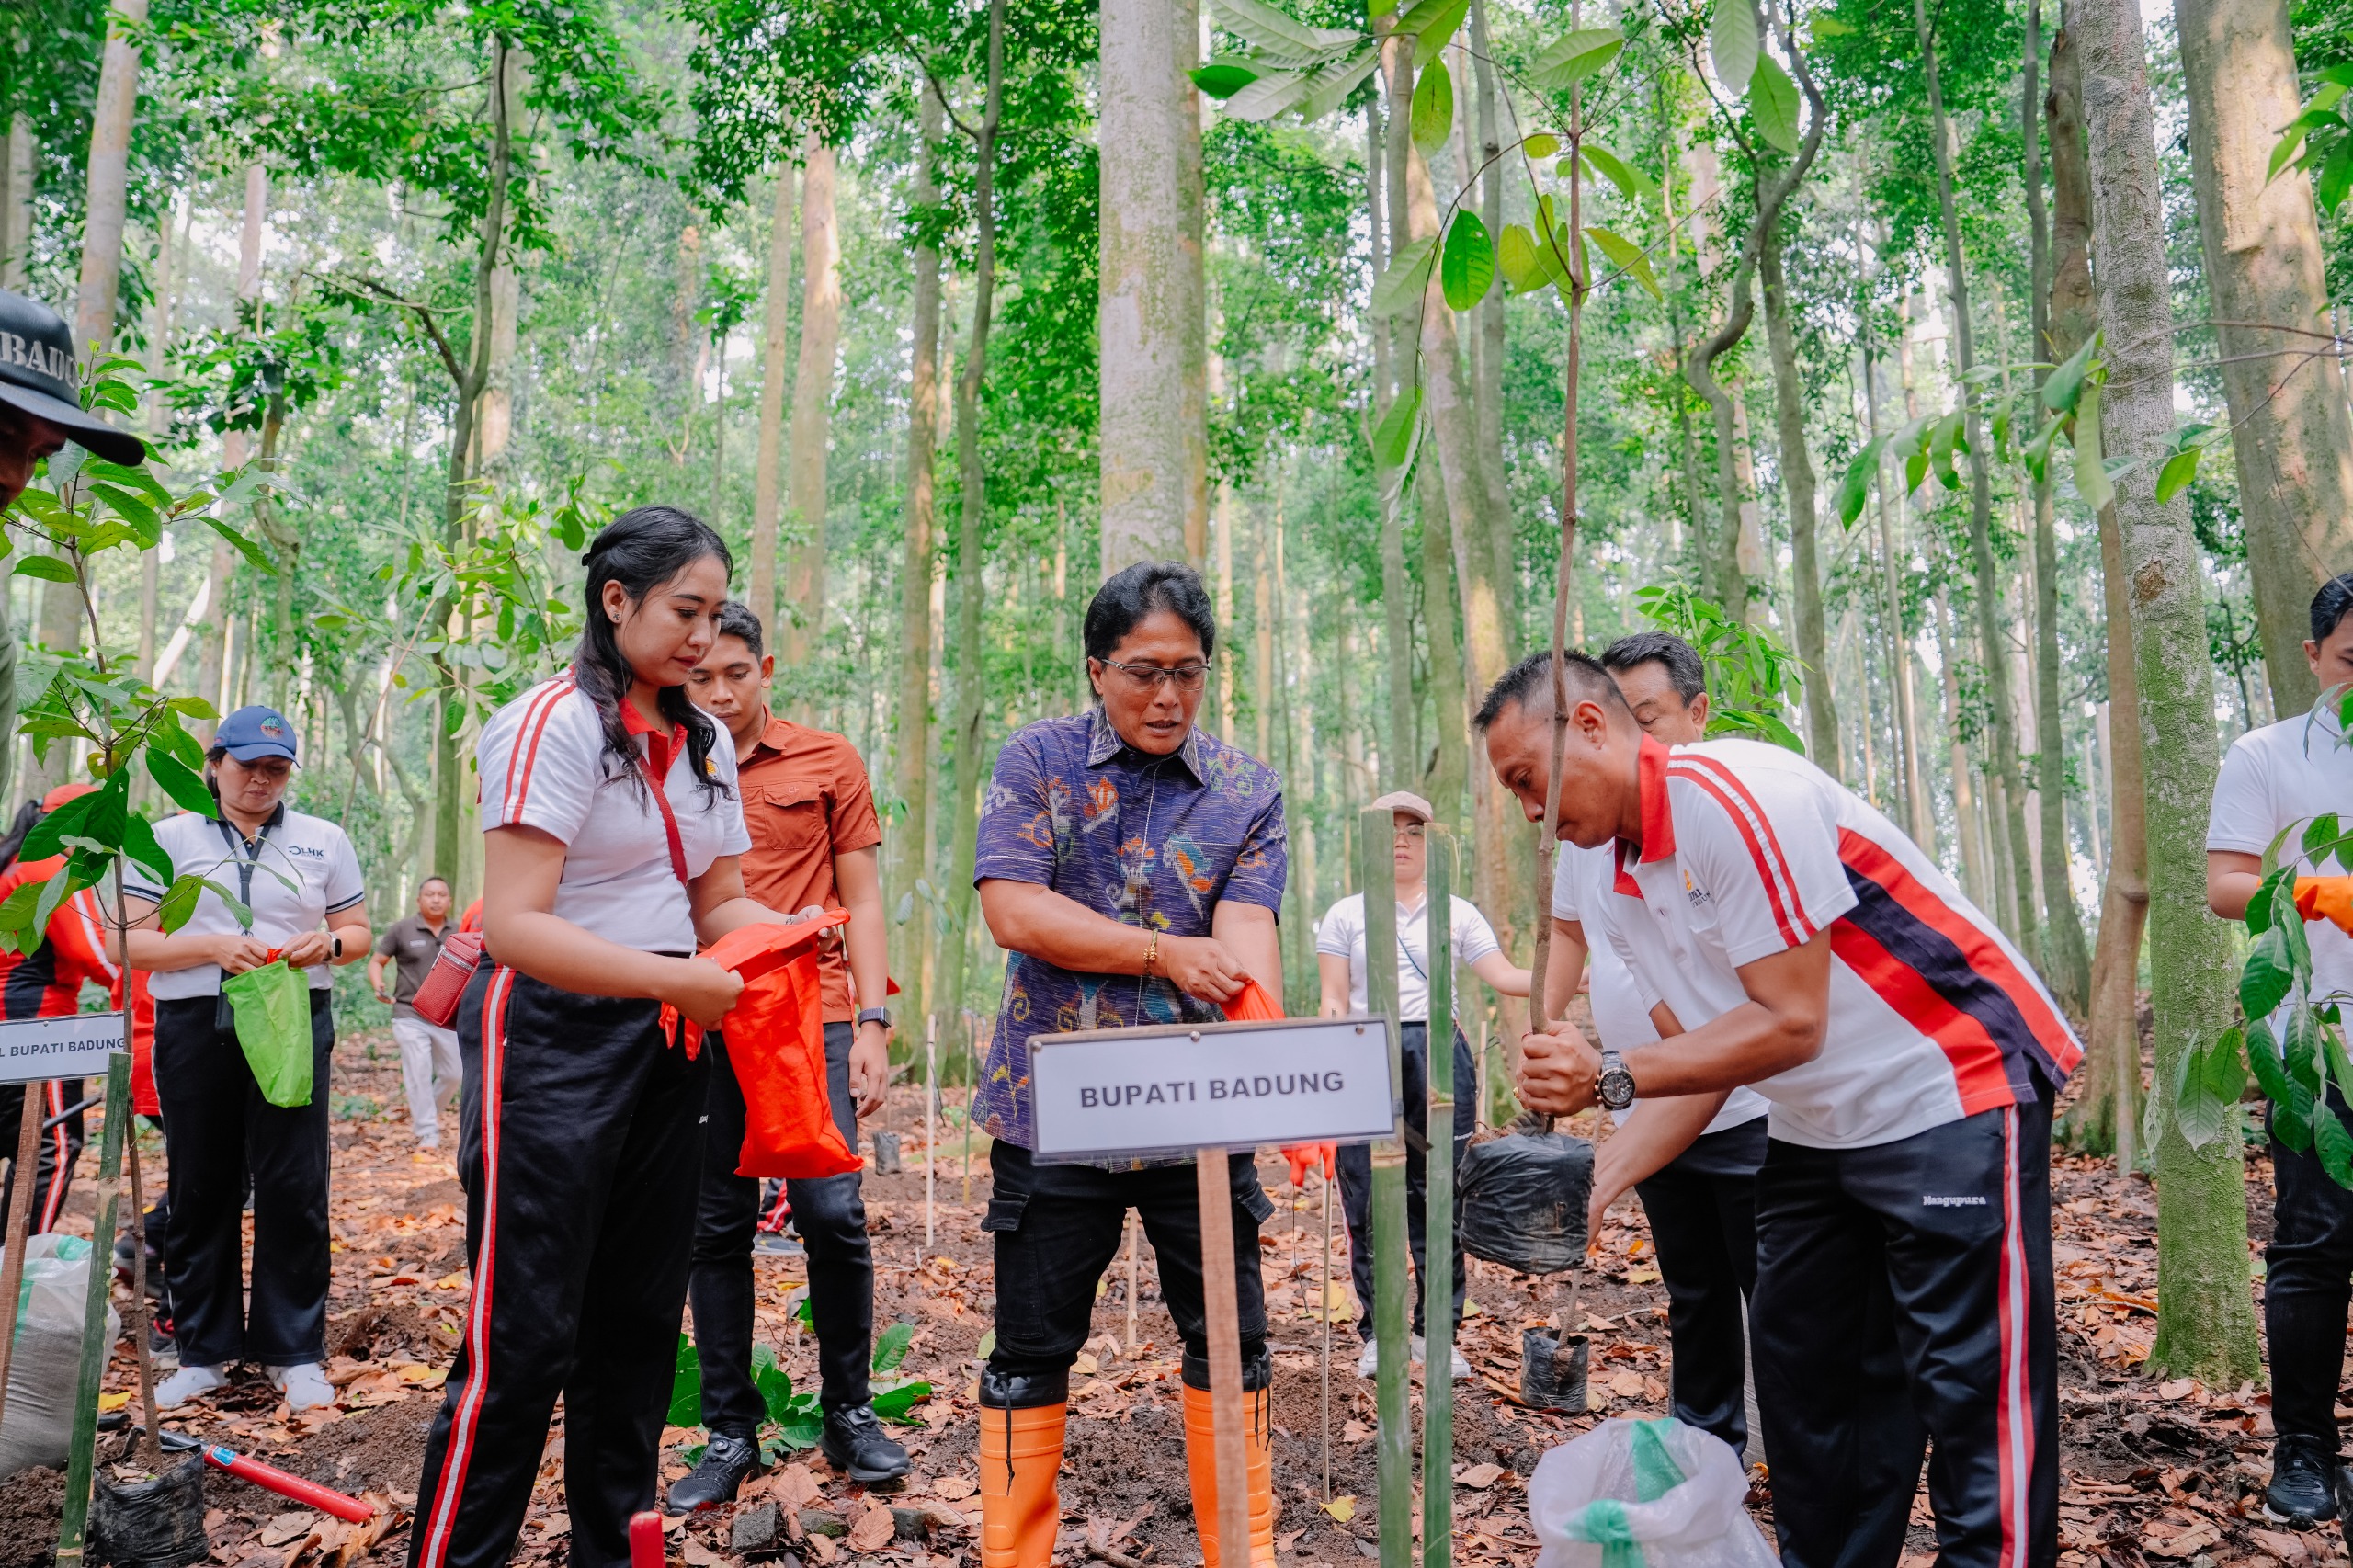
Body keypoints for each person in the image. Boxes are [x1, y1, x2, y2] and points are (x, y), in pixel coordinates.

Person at [1478, 650, 2078, 1568]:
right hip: (1812, 1121)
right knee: (1809, 1383)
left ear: (1591, 728)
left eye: (1529, 779)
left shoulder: (1732, 794)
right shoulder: (1605, 872)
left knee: (1970, 1388)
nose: (1530, 811)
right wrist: (1591, 1183)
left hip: (1949, 1080)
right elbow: (1707, 1059)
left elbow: (1791, 1022)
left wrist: (1606, 1072)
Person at [408, 506, 825, 1568]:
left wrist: (787, 940)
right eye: (682, 611)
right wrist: (672, 980)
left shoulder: (702, 741)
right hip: (547, 1040)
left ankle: (613, 1551)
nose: (700, 636)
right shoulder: (552, 723)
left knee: (638, 1331)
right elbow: (515, 922)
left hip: (666, 1047)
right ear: (615, 601)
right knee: (525, 1334)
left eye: (713, 614)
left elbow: (719, 899)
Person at [971, 561, 1287, 1568]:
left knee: (1231, 1338)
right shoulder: (1037, 759)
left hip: (1197, 1112)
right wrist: (1157, 949)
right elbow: (1012, 906)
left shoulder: (1246, 789)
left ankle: (1243, 1550)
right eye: (1144, 670)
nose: (1167, 695)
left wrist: (1276, 1059)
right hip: (1052, 1110)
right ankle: (1016, 1553)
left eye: (1189, 672)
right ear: (1097, 668)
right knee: (1030, 1346)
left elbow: (1245, 937)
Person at [667, 601, 906, 1507]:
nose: (720, 693)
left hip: (818, 1012)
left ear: (767, 668)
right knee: (712, 1221)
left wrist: (875, 1022)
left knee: (831, 1207)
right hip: (705, 1012)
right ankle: (729, 1431)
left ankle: (850, 1409)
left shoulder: (827, 759)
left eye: (738, 673)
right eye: (701, 678)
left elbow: (864, 896)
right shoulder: (669, 761)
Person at [1540, 633, 1771, 1458]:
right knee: (1694, 1286)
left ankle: (1801, 1444)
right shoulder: (1599, 843)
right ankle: (1709, 1445)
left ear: (1696, 713)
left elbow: (1745, 1034)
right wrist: (1544, 1024)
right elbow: (1574, 935)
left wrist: (1610, 1092)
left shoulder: (1733, 820)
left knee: (1771, 1289)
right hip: (1652, 1099)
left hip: (1746, 1104)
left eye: (1652, 719)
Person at [117, 705, 371, 1413]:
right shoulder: (165, 839)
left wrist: (332, 944)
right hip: (196, 1018)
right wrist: (211, 946)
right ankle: (204, 1352)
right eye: (247, 765)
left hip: (293, 1015)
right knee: (202, 1182)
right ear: (214, 763)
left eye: (276, 768)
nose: (261, 780)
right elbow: (130, 945)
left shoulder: (323, 839)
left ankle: (294, 1352)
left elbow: (357, 929)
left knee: (294, 1182)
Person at [2206, 572, 2353, 1528]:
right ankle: (2303, 1449)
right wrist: (2320, 893)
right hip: (2319, 1041)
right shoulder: (2266, 754)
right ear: (2311, 656)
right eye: (2351, 662)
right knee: (2311, 1248)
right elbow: (2225, 882)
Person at [1314, 790, 1527, 1382]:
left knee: (1439, 1194)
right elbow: (1334, 999)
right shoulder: (1346, 914)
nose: (1403, 839)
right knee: (1367, 1197)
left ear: (1432, 842)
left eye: (1415, 828)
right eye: (1392, 829)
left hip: (1438, 1057)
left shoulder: (1456, 911)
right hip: (1364, 1057)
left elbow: (1506, 976)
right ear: (1372, 842)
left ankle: (1439, 1334)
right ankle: (1381, 1334)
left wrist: (1583, 977)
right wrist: (1330, 1065)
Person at [0, 784, 135, 1235]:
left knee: (23, 1145)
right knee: (50, 1148)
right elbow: (94, 953)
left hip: (15, 1023)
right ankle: (14, 1273)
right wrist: (147, 991)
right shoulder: (51, 869)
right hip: (35, 1029)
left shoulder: (14, 864)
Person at [371, 877, 463, 1152]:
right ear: (419, 900)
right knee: (419, 1069)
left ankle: (427, 1116)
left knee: (454, 1074)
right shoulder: (401, 930)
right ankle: (427, 1132)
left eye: (441, 894)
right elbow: (378, 961)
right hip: (408, 1011)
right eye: (430, 894)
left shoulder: (460, 931)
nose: (436, 899)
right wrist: (378, 984)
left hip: (447, 1017)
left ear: (449, 901)